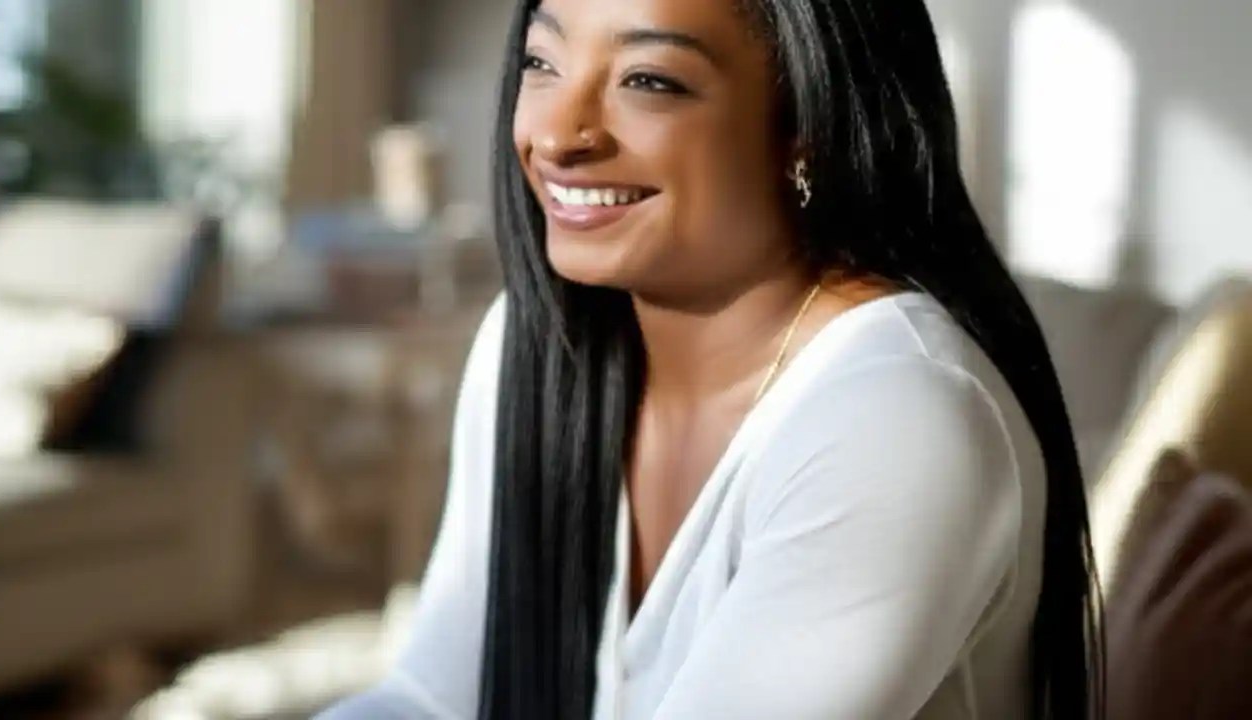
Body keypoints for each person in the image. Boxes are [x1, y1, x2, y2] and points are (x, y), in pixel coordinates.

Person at [320, 0, 1102, 717]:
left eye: (648, 80)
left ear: (807, 127)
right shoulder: (537, 342)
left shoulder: (897, 422)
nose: (559, 136)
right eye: (541, 63)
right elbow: (436, 699)